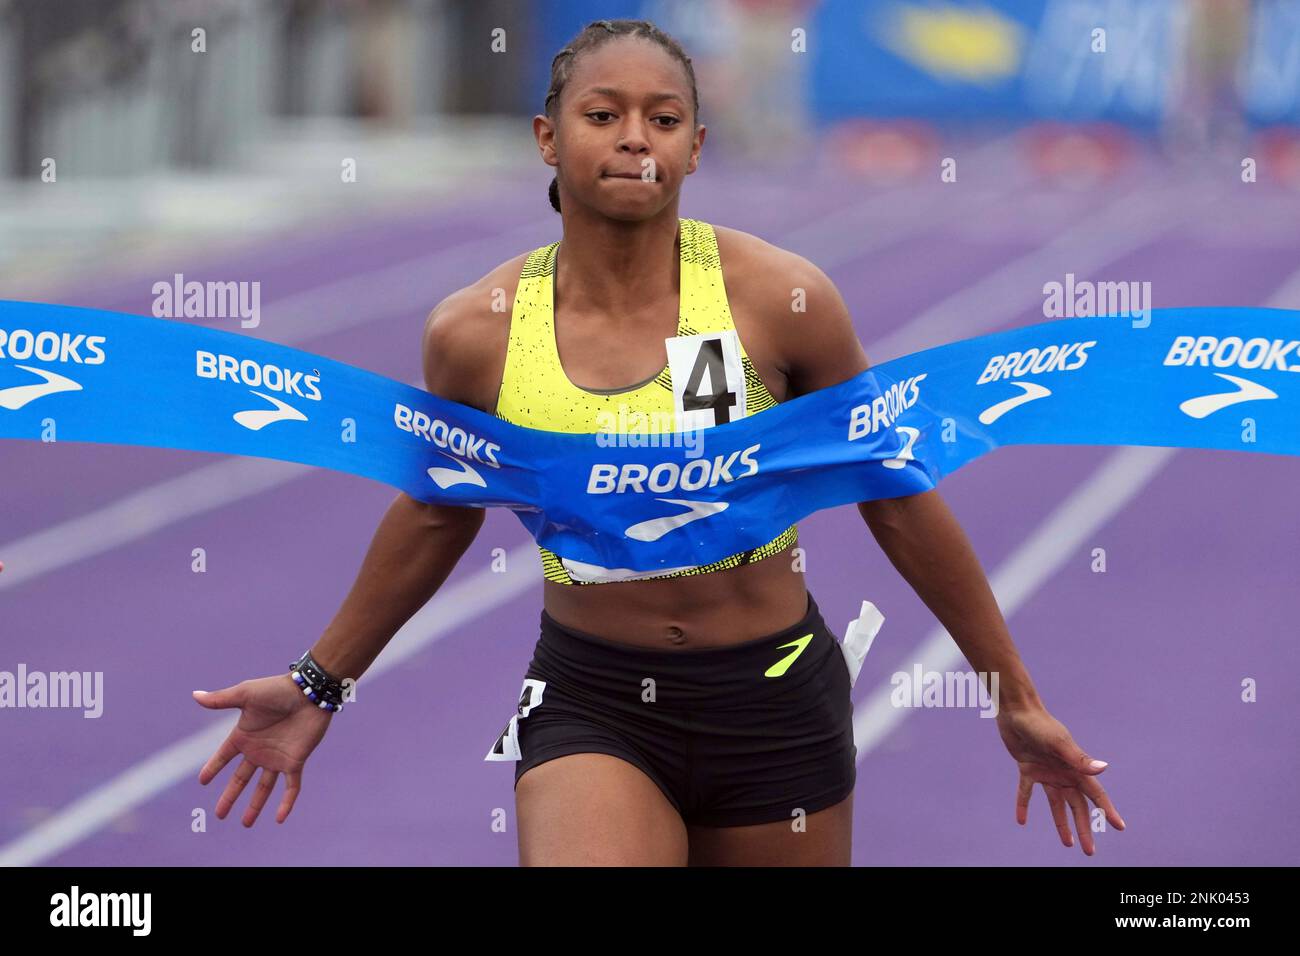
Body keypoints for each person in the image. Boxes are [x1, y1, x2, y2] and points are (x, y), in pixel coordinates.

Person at [192, 18, 1125, 866]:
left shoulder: (779, 301)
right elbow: (438, 513)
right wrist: (319, 681)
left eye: (664, 118)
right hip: (592, 697)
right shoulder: (477, 332)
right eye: (604, 114)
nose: (636, 136)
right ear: (548, 138)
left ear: (695, 148)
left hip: (774, 696)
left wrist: (1014, 693)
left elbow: (895, 490)